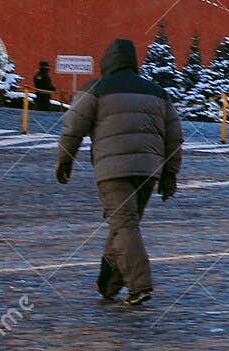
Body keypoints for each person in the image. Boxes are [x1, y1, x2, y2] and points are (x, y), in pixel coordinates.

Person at [55, 39, 182, 306]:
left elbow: (72, 129)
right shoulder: (157, 92)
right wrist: (170, 174)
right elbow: (174, 138)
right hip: (148, 170)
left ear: (107, 61)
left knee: (124, 225)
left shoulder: (96, 89)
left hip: (112, 170)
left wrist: (64, 161)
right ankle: (108, 285)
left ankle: (139, 286)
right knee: (124, 225)